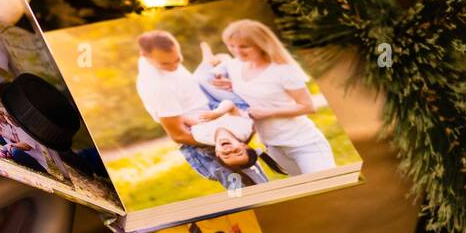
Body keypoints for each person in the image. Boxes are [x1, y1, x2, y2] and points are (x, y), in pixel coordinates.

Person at [135, 30, 268, 189]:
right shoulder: (158, 87)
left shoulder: (163, 58)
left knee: (253, 174)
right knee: (240, 187)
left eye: (178, 59)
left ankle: (274, 200)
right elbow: (179, 135)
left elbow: (196, 83)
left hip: (212, 121)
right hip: (198, 137)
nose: (174, 66)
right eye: (166, 64)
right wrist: (229, 141)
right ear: (144, 55)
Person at [217, 19, 336, 175]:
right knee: (307, 191)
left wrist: (267, 112)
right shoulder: (235, 65)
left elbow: (307, 106)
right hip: (273, 146)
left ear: (261, 44)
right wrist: (233, 86)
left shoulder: (283, 70)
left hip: (304, 143)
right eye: (232, 46)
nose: (237, 51)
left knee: (328, 187)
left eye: (244, 46)